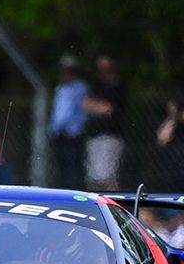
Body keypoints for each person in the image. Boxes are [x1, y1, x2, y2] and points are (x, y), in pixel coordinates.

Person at [82, 56, 126, 191]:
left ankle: (112, 205)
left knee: (107, 178)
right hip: (94, 136)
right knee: (92, 178)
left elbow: (109, 109)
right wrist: (98, 107)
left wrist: (96, 107)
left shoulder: (117, 87)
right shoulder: (96, 86)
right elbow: (85, 104)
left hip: (109, 137)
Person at [49, 55, 88, 190]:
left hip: (72, 134)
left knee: (73, 168)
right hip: (59, 133)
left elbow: (81, 110)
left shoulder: (80, 88)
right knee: (61, 169)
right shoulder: (60, 89)